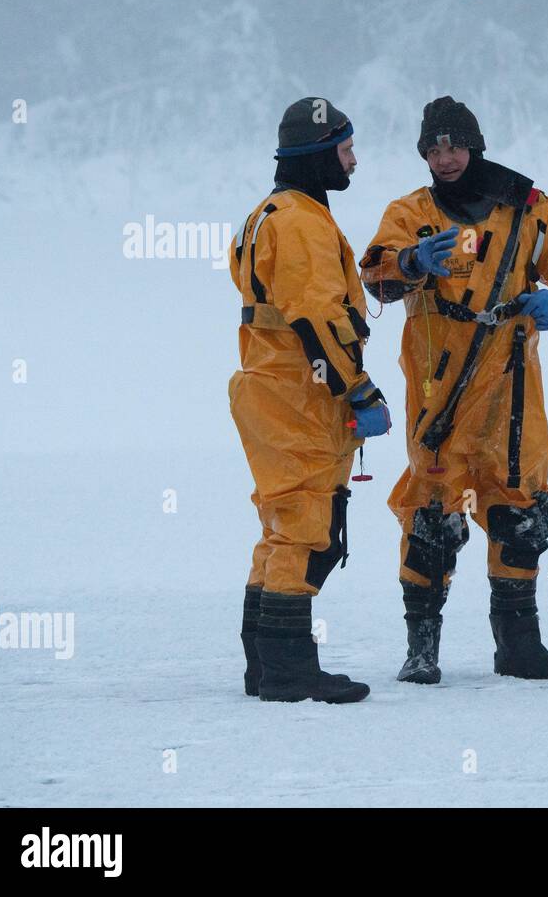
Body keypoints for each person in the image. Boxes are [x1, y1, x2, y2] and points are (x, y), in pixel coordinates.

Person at [360, 96, 548, 684]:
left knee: (520, 506)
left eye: (454, 145)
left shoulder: (527, 208)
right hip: (438, 390)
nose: (444, 158)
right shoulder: (411, 211)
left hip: (510, 390)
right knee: (432, 515)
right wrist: (413, 261)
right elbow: (373, 270)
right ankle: (422, 651)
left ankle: (519, 647)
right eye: (433, 148)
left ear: (475, 145)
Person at [228, 97, 390, 703]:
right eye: (346, 150)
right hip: (299, 393)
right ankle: (291, 674)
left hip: (268, 386)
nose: (354, 160)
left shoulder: (266, 214)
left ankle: (264, 665)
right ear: (320, 155)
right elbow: (317, 320)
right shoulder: (298, 224)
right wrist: (360, 390)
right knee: (302, 526)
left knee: (278, 526)